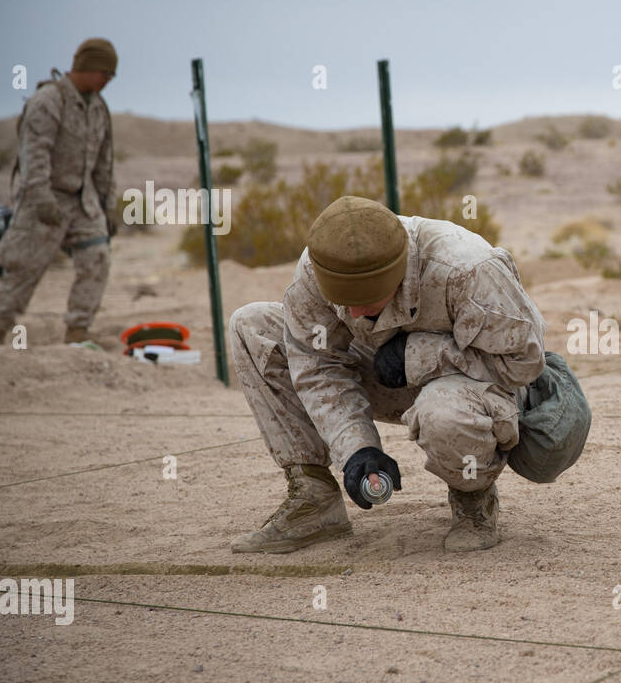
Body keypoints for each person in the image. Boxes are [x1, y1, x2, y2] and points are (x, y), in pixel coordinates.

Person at [228, 196, 547, 554]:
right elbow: (316, 364)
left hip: (474, 388)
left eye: (368, 300)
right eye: (344, 300)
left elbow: (523, 362)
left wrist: (418, 354)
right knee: (252, 326)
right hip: (383, 376)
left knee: (445, 414)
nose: (355, 311)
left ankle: (473, 497)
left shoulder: (467, 267)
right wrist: (357, 450)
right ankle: (314, 500)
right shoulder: (322, 263)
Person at [0, 38, 119, 348]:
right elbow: (35, 154)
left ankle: (78, 329)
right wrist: (41, 199)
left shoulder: (98, 107)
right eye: (105, 74)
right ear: (88, 67)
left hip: (83, 201)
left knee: (97, 256)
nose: (107, 82)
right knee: (24, 268)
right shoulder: (48, 101)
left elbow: (104, 161)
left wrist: (108, 205)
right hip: (43, 200)